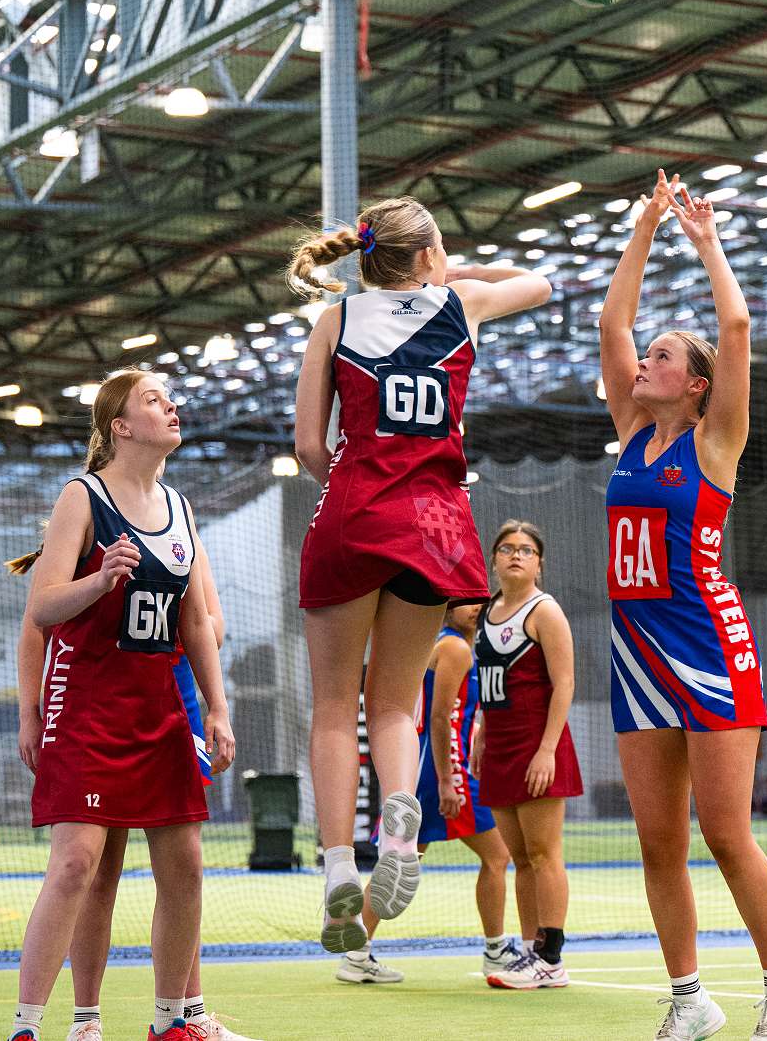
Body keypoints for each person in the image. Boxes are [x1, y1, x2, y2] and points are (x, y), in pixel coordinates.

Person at [288, 197, 550, 955]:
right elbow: (537, 281)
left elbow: (310, 444)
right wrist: (449, 273)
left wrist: (347, 484)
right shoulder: (461, 302)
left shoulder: (335, 320)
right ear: (432, 254)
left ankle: (341, 866)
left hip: (354, 510)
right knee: (396, 706)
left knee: (336, 708)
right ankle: (399, 831)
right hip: (434, 524)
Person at [597, 172, 767, 1039]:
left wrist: (704, 241)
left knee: (726, 834)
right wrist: (644, 225)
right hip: (636, 654)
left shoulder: (715, 441)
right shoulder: (630, 430)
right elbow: (613, 323)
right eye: (646, 356)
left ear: (695, 385)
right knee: (657, 842)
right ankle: (691, 1000)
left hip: (711, 649)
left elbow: (735, 327)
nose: (644, 360)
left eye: (661, 358)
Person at [7, 372, 236, 1041]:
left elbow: (197, 622)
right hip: (87, 702)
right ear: (121, 427)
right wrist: (99, 577)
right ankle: (30, 1026)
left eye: (171, 398)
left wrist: (217, 708)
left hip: (158, 707)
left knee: (186, 861)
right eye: (155, 399)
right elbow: (41, 607)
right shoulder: (84, 496)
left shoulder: (177, 507)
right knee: (79, 861)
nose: (173, 405)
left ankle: (172, 1022)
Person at [334, 602, 529, 988]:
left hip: (431, 765)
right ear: (446, 610)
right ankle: (495, 951)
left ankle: (356, 953)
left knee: (402, 857)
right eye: (460, 603)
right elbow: (441, 718)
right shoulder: (454, 648)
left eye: (476, 600)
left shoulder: (447, 645)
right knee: (498, 854)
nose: (472, 608)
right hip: (442, 768)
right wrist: (445, 781)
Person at [468, 520, 580, 989]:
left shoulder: (545, 611)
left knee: (543, 852)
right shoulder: (486, 612)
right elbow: (488, 684)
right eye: (508, 548)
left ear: (539, 562)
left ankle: (551, 958)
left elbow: (565, 683)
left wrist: (547, 750)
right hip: (499, 744)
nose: (516, 555)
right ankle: (531, 952)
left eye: (527, 550)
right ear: (493, 559)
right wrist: (479, 732)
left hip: (538, 745)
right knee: (519, 857)